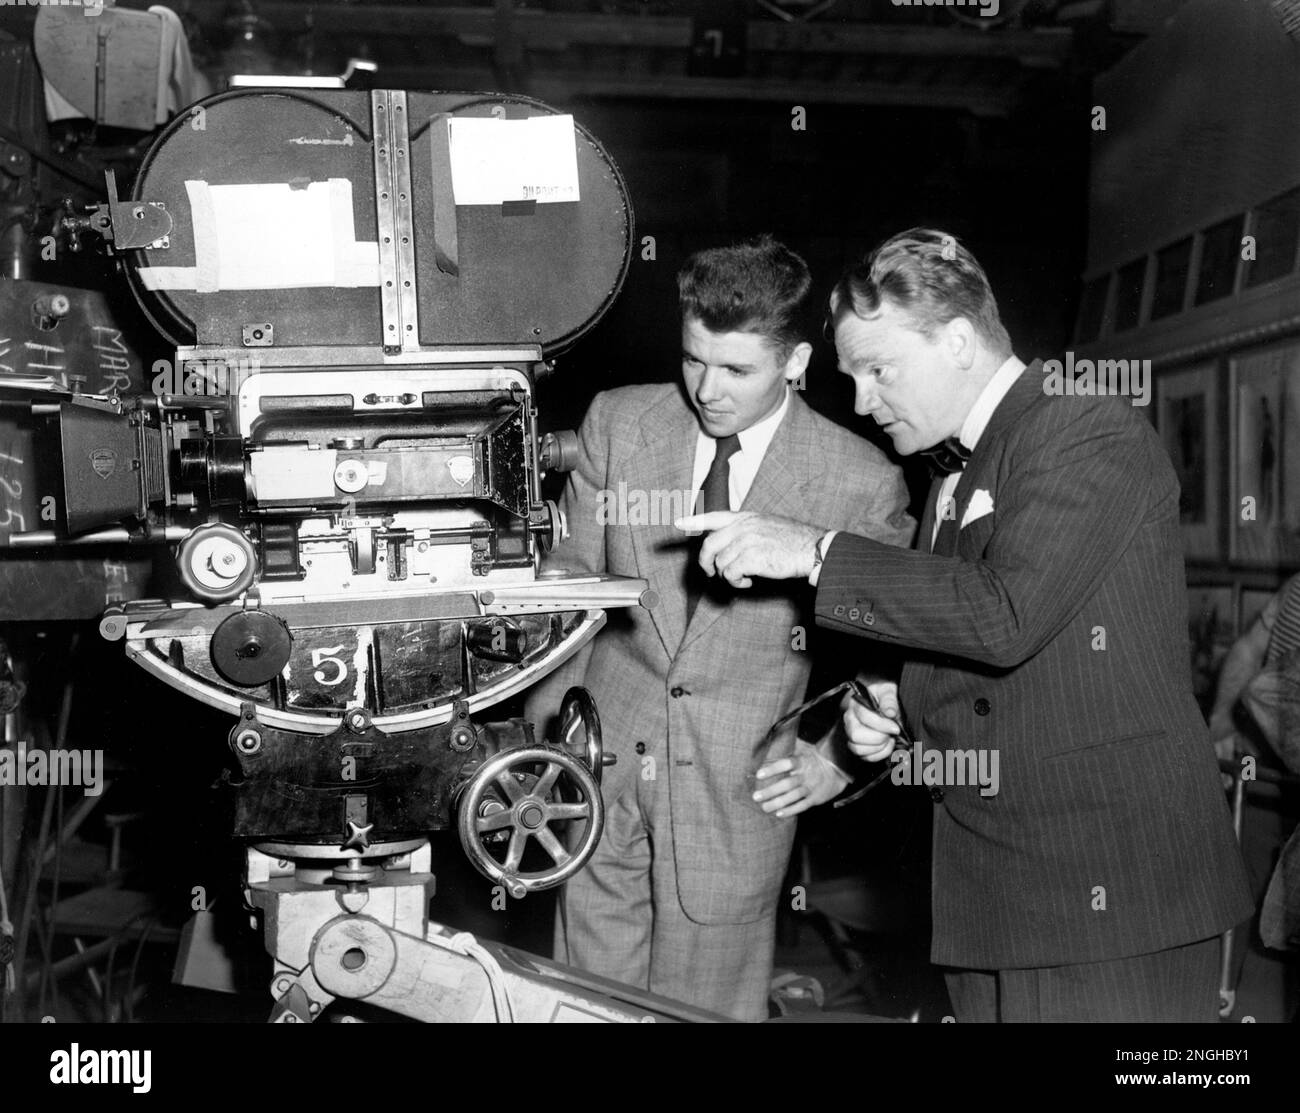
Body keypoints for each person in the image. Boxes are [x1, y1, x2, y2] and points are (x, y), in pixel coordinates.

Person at [679, 227, 1254, 1022]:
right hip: (998, 900)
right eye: (852, 377)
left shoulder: (1081, 428)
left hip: (1106, 903)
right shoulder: (962, 466)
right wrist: (897, 704)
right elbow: (987, 655)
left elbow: (1004, 614)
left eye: (880, 370)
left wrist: (813, 549)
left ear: (956, 341)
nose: (864, 400)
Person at [523, 235, 914, 1021]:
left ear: (797, 360)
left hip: (739, 794)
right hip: (596, 765)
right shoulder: (619, 422)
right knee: (579, 1007)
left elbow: (890, 649)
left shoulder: (861, 480)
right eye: (694, 359)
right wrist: (548, 742)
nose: (707, 389)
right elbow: (562, 592)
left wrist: (838, 758)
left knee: (705, 1010)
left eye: (738, 369)